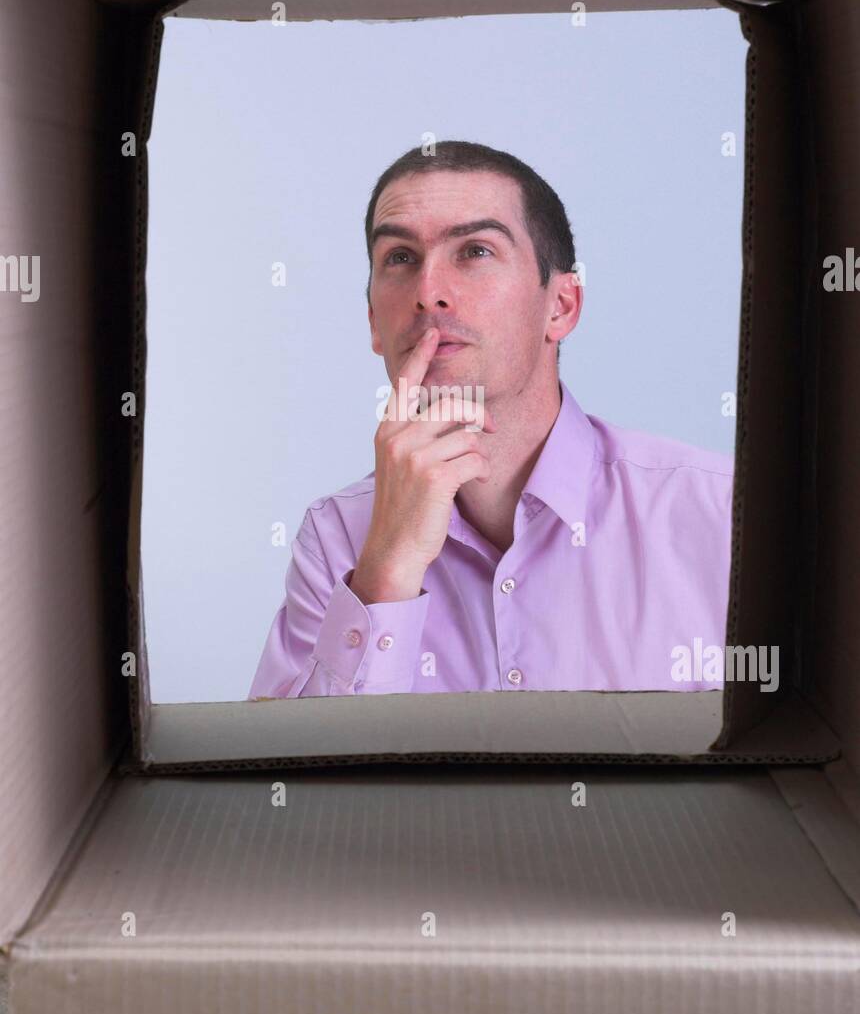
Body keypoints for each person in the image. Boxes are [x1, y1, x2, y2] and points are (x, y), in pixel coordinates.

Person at [248, 141, 733, 699]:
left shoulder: (720, 517)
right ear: (374, 324)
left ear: (561, 306)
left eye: (475, 251)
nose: (429, 294)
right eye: (400, 257)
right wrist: (387, 571)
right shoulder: (336, 541)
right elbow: (298, 780)